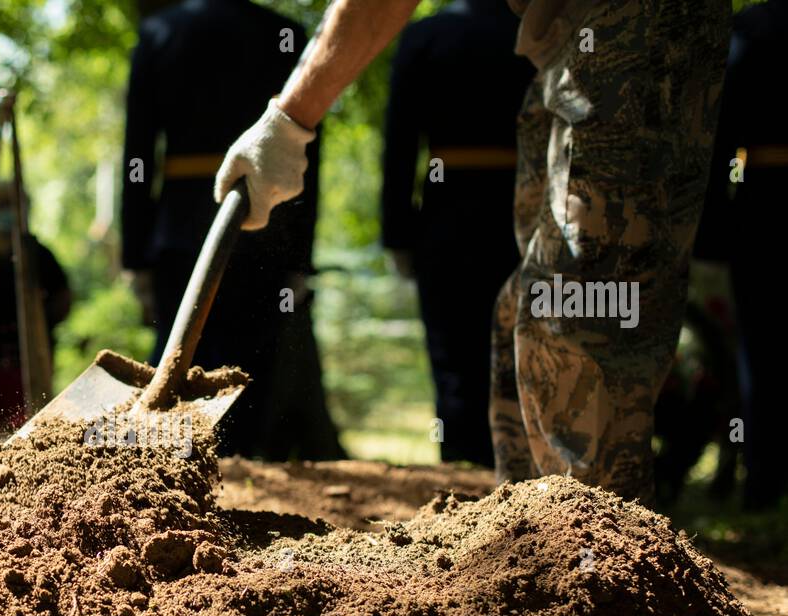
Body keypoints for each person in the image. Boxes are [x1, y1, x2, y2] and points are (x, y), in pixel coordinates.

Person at [216, 0, 728, 505]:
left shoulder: (437, 36)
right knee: (523, 317)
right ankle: (526, 523)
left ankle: (595, 535)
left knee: (576, 315)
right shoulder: (490, 35)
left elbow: (399, 128)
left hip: (611, 54)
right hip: (556, 86)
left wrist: (291, 120)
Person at [123, 0, 345, 461]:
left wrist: (136, 253)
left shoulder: (161, 32)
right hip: (266, 225)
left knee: (186, 353)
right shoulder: (284, 34)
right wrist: (299, 255)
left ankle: (177, 462)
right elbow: (307, 157)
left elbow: (137, 155)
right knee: (248, 364)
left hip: (180, 227)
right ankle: (237, 464)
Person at [381, 0, 534, 468]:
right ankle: (521, 471)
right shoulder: (536, 31)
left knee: (455, 358)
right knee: (523, 352)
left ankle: (462, 469)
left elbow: (400, 142)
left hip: (446, 220)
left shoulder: (426, 35)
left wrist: (397, 232)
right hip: (522, 216)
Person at [698, 0, 788, 510]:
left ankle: (763, 483)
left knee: (763, 348)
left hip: (766, 205)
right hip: (762, 202)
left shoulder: (751, 31)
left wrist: (711, 234)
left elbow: (718, 136)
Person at [0, 182, 71, 435]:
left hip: (27, 361)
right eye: (0, 204)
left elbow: (62, 299)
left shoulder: (36, 253)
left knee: (26, 432)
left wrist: (39, 324)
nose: (5, 212)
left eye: (11, 204)